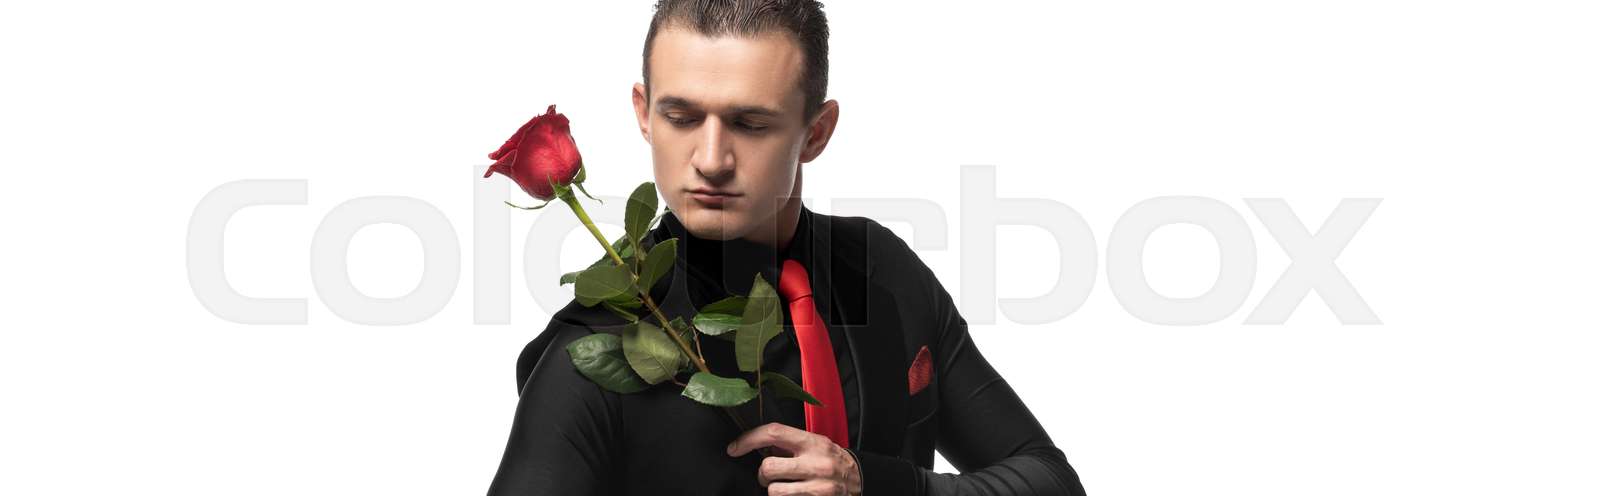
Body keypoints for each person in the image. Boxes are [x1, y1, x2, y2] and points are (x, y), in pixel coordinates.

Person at [488, 1, 1087, 494]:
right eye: (682, 116)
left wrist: (876, 485)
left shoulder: (881, 269)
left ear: (816, 132)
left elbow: (1051, 482)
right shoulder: (593, 349)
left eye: (750, 124)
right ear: (644, 114)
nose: (711, 160)